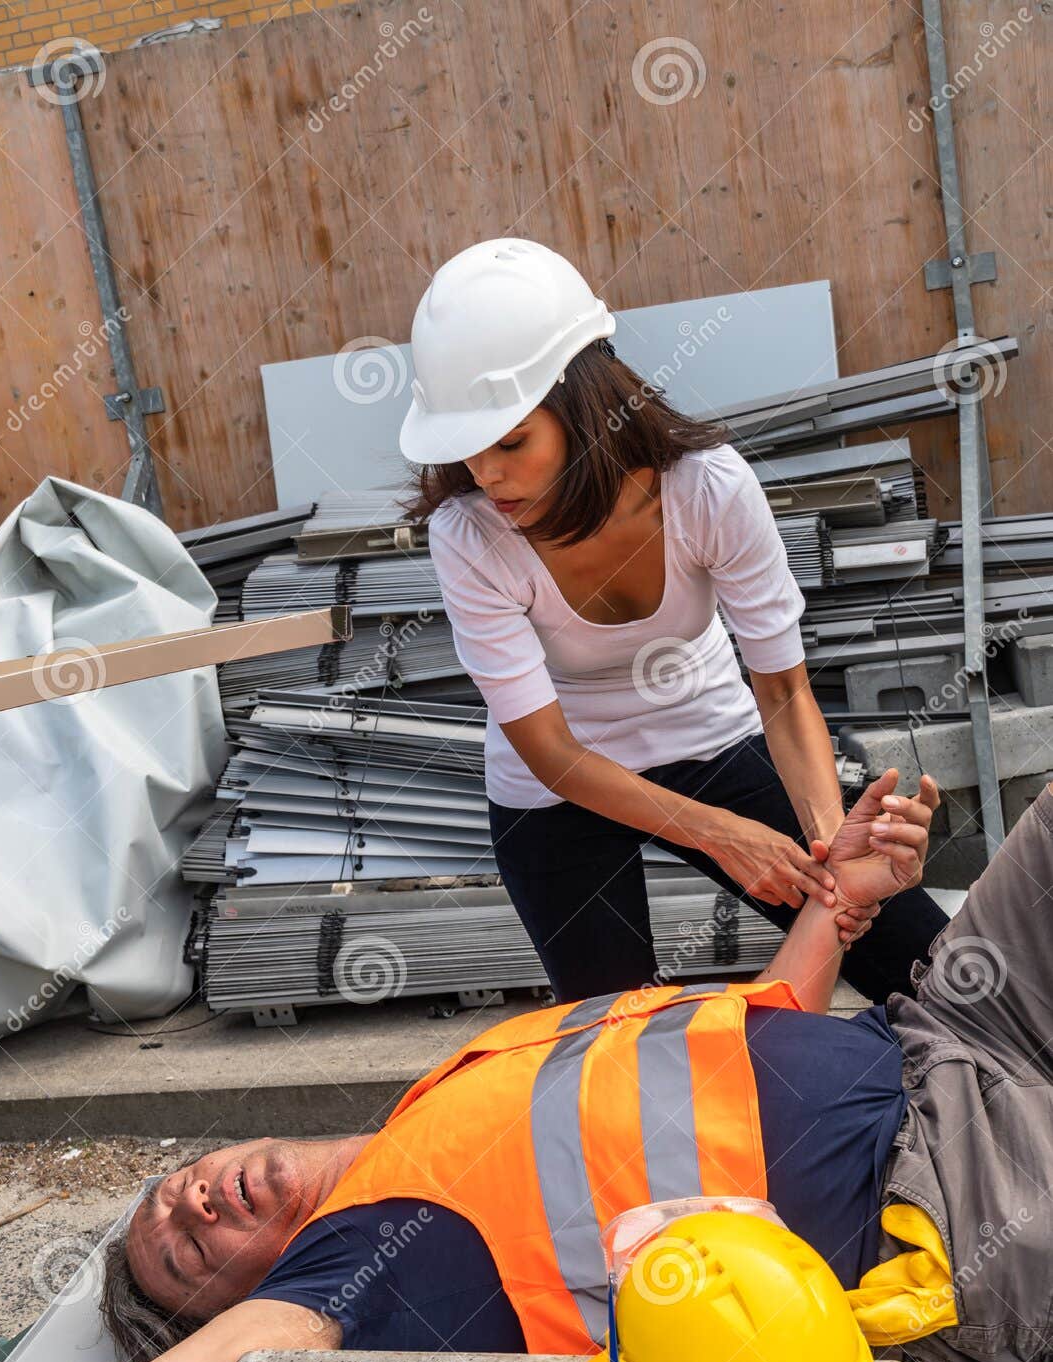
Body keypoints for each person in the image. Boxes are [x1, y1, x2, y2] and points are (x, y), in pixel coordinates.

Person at [0, 766, 1053, 1362]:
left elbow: (732, 1044)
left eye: (171, 1191)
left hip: (942, 1029)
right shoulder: (352, 1268)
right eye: (187, 1253)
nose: (190, 1203)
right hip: (954, 1203)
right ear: (243, 1313)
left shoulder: (439, 1097)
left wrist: (836, 905)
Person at [398, 236, 950, 1006]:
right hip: (555, 788)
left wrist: (834, 851)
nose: (486, 474)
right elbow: (550, 753)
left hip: (708, 735)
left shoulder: (707, 490)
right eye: (467, 451)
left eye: (511, 441)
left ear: (584, 405)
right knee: (612, 1041)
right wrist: (716, 833)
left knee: (940, 980)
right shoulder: (467, 535)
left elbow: (784, 692)